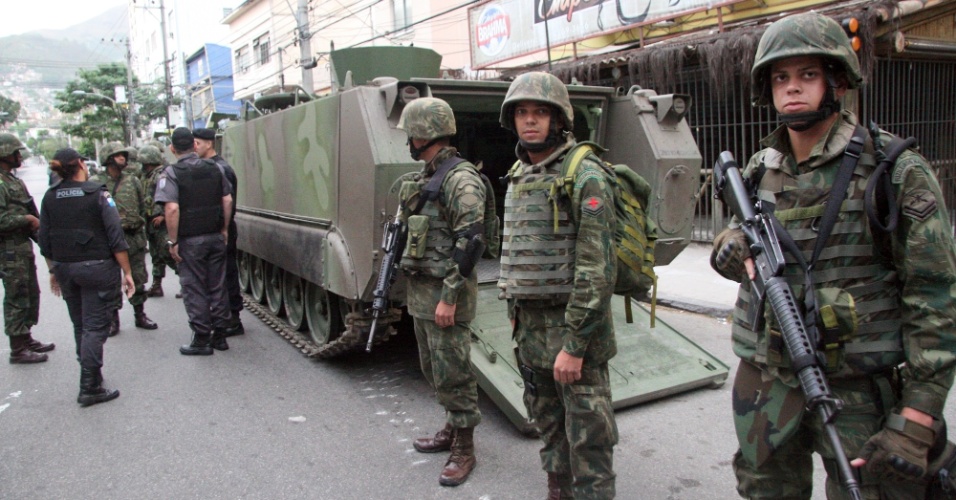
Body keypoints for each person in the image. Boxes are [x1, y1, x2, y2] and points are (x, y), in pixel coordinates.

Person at [710, 12, 956, 499]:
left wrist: (919, 415)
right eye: (780, 77)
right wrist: (729, 247)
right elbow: (733, 235)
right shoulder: (760, 168)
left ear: (837, 82)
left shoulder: (893, 169)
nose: (791, 87)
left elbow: (935, 295)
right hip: (768, 381)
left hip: (856, 388)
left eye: (807, 74)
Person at [498, 72, 618, 499]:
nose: (530, 120)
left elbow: (597, 268)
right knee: (548, 424)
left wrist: (576, 344)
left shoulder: (584, 174)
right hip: (530, 331)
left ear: (560, 119)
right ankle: (558, 490)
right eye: (522, 112)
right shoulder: (518, 172)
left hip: (572, 332)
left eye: (540, 112)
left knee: (589, 435)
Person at [396, 97, 484, 487]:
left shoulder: (460, 179)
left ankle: (464, 448)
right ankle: (451, 427)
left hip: (446, 295)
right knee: (433, 369)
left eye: (410, 134)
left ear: (423, 135)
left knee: (454, 373)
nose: (408, 141)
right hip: (422, 292)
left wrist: (449, 297)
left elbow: (472, 241)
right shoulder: (428, 176)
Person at [39, 148, 135, 406]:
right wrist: (127, 272)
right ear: (81, 164)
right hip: (96, 269)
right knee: (94, 327)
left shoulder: (50, 196)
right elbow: (116, 237)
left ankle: (91, 375)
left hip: (65, 268)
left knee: (81, 325)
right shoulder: (99, 194)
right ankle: (90, 386)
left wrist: (53, 271)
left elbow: (44, 241)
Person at [155, 127, 233, 355]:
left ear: (172, 148)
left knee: (194, 288)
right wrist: (224, 228)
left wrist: (173, 241)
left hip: (190, 241)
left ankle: (202, 339)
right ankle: (220, 336)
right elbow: (227, 200)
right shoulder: (216, 168)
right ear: (194, 145)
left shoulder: (171, 173)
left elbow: (172, 209)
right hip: (215, 236)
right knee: (218, 285)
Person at [92, 141, 158, 333]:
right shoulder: (95, 183)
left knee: (138, 277)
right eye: (118, 155)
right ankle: (113, 319)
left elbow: (141, 207)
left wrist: (139, 227)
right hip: (109, 240)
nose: (123, 158)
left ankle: (140, 315)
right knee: (110, 281)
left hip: (133, 237)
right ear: (108, 158)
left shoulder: (133, 180)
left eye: (124, 155)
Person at [0, 132, 54, 364]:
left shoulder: (13, 181)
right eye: (16, 152)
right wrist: (27, 220)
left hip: (22, 247)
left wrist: (44, 238)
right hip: (9, 250)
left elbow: (31, 211)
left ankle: (26, 336)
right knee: (17, 295)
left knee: (30, 292)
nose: (19, 156)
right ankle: (17, 349)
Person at [193, 128, 243, 336]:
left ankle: (233, 318)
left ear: (209, 143)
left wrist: (223, 228)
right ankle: (224, 316)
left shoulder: (220, 168)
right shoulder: (209, 167)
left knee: (226, 274)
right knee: (217, 276)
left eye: (197, 143)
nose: (194, 147)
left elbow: (227, 201)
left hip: (223, 229)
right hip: (215, 229)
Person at [140, 145, 177, 298]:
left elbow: (169, 197)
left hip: (161, 221)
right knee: (156, 254)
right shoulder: (147, 175)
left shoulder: (161, 175)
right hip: (150, 220)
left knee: (167, 252)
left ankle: (187, 281)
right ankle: (157, 285)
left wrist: (163, 215)